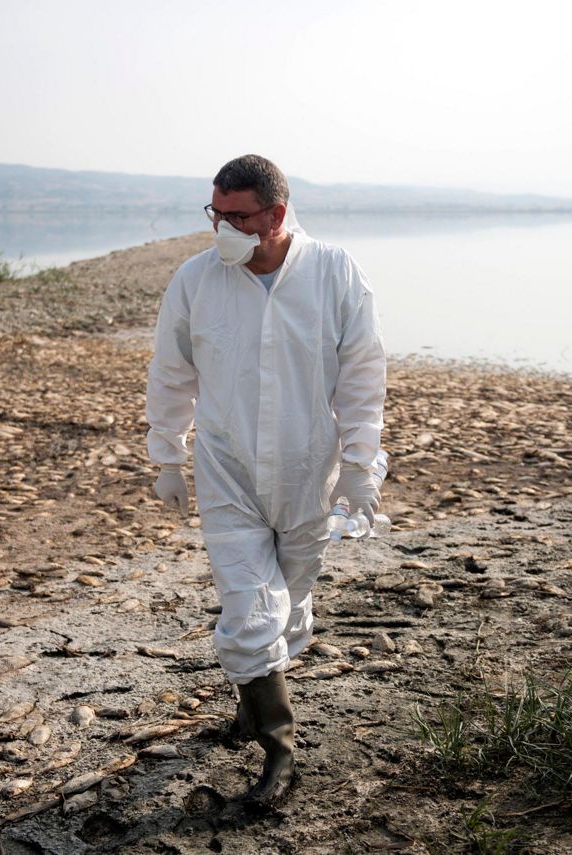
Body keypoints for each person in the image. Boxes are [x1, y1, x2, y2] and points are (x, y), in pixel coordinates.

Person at [145, 154, 386, 809]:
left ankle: (253, 706)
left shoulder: (334, 273)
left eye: (238, 217)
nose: (221, 228)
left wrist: (363, 467)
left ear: (276, 216)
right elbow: (171, 370)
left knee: (291, 609)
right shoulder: (197, 281)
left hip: (312, 473)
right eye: (214, 214)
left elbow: (362, 376)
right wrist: (167, 454)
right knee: (250, 610)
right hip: (228, 472)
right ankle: (281, 754)